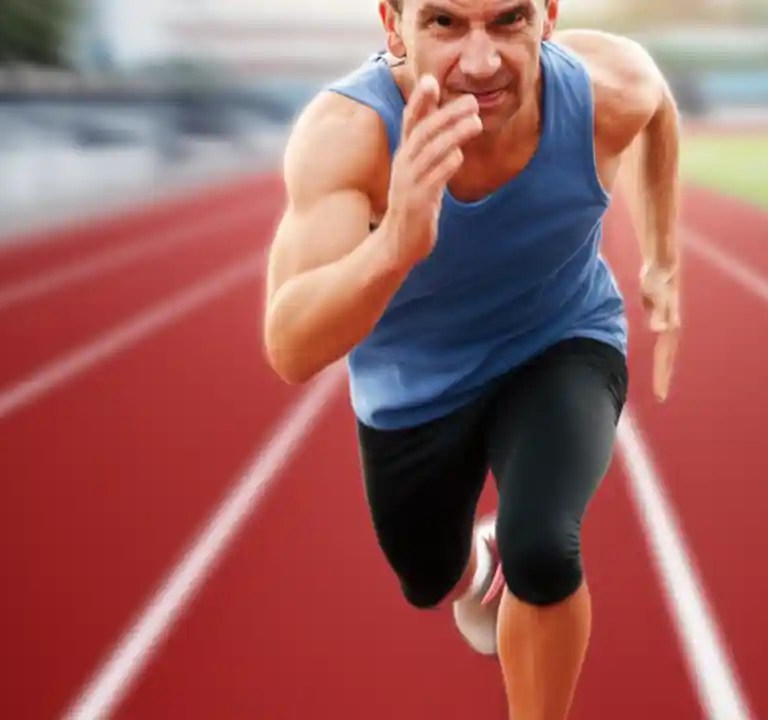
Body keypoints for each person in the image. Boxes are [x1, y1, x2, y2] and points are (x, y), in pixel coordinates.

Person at [262, 1, 681, 717]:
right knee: (429, 578)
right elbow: (291, 348)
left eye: (509, 20)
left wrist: (663, 262)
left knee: (543, 548)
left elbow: (659, 114)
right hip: (415, 389)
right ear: (394, 26)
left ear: (548, 14)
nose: (482, 63)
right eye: (446, 24)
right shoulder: (349, 137)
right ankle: (474, 567)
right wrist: (395, 243)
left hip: (560, 339)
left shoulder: (610, 86)